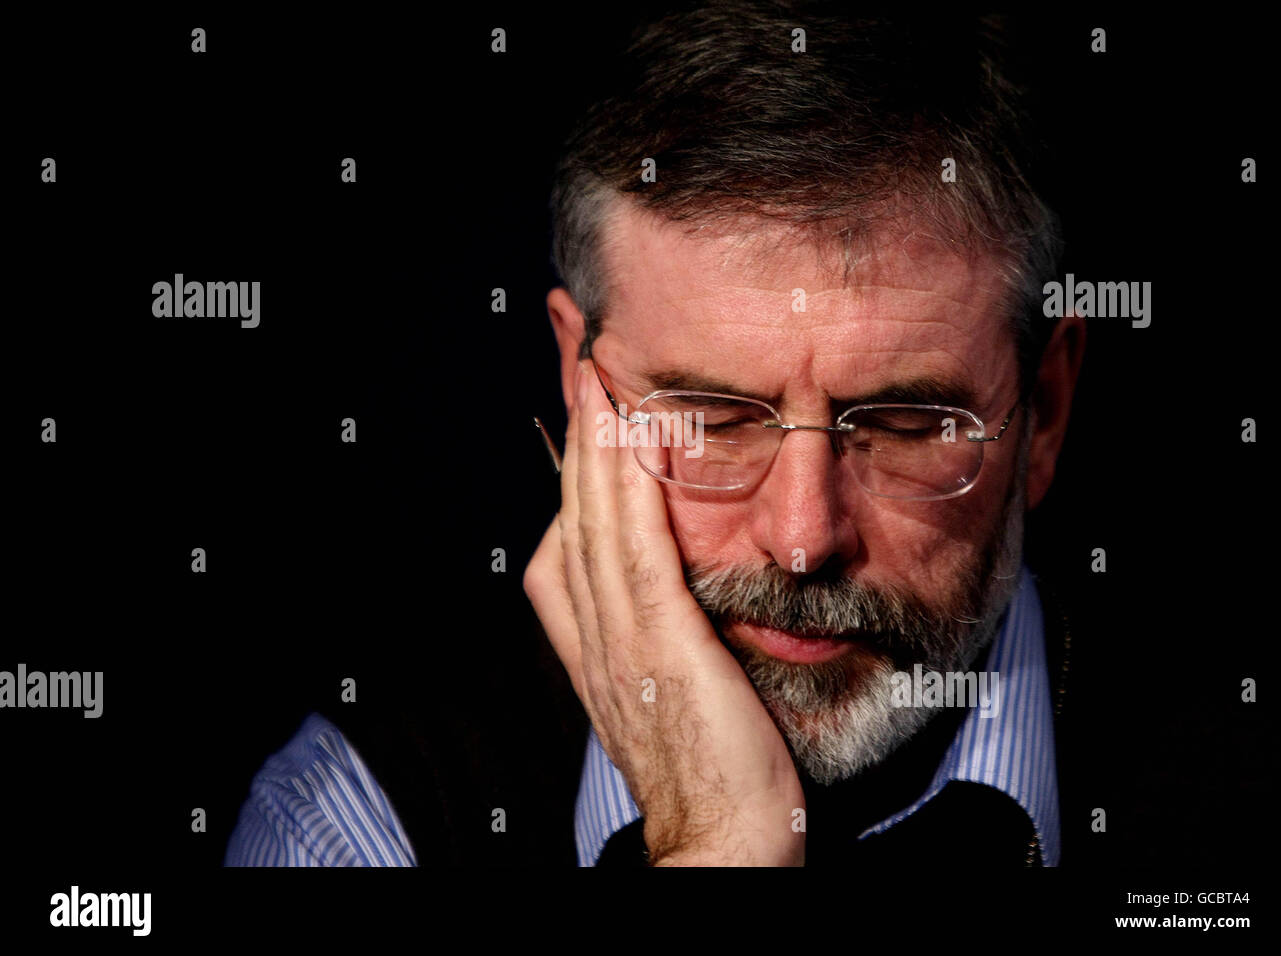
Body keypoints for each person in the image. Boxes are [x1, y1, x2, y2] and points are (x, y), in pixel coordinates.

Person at [226, 3, 1085, 867]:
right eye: (714, 420)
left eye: (902, 427)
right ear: (577, 383)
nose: (801, 539)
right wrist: (721, 843)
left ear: (1043, 411)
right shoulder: (354, 823)